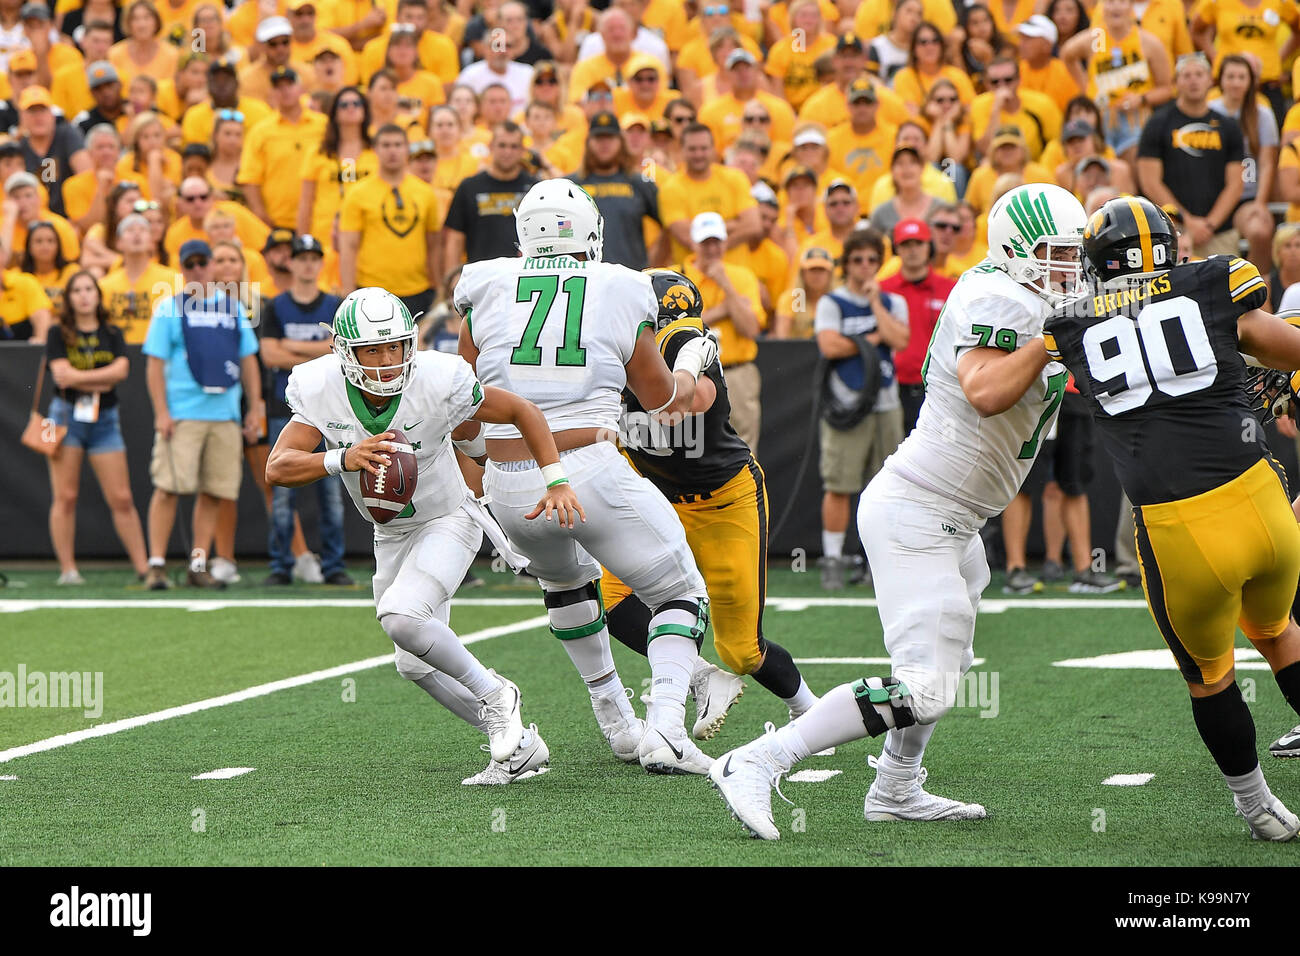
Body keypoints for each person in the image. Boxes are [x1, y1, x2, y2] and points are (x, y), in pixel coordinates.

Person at [710, 184, 1088, 839]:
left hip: (955, 517)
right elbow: (986, 390)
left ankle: (896, 788)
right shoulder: (1000, 297)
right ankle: (758, 759)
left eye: (1073, 255)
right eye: (1055, 255)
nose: (1068, 270)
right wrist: (1056, 341)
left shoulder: (1027, 297)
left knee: (950, 667)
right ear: (1017, 251)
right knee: (927, 685)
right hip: (920, 509)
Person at [1043, 195, 1300, 840]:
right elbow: (1287, 351)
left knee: (1211, 678)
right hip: (1262, 505)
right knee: (1281, 634)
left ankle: (1256, 807)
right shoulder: (1216, 277)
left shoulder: (1069, 320)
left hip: (1178, 530)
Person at [454, 178, 719, 774]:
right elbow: (659, 399)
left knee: (567, 586)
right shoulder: (623, 286)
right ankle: (667, 730)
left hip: (509, 479)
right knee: (680, 594)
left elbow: (463, 394)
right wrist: (695, 369)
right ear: (590, 234)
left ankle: (616, 722)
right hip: (586, 468)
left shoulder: (485, 284)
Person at [266, 288, 564, 785]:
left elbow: (521, 413)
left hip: (449, 518)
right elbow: (277, 467)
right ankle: (520, 748)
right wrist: (341, 456)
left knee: (403, 617)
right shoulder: (319, 387)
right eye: (372, 350)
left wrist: (553, 479)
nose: (386, 361)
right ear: (343, 352)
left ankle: (497, 695)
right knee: (413, 663)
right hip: (391, 532)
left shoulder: (438, 378)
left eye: (395, 347)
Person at [141, 238, 262, 590]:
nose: (197, 269)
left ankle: (198, 563)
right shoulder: (169, 308)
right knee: (168, 488)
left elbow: (248, 359)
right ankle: (157, 564)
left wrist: (253, 407)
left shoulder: (233, 308)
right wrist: (162, 412)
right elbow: (154, 364)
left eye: (202, 263)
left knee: (213, 492)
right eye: (189, 264)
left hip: (224, 414)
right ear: (182, 268)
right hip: (184, 413)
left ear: (211, 265)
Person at [814, 227, 910, 590]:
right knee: (839, 484)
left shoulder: (891, 301)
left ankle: (879, 562)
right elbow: (829, 346)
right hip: (846, 405)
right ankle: (834, 561)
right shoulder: (831, 302)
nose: (866, 266)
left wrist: (874, 304)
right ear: (847, 264)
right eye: (858, 260)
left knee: (886, 487)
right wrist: (871, 340)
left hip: (885, 402)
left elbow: (900, 339)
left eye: (872, 259)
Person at [44, 269, 149, 585]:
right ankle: (68, 570)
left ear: (98, 295)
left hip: (105, 419)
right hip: (63, 417)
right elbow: (61, 375)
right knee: (66, 496)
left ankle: (145, 569)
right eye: (77, 290)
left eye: (90, 288)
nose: (84, 295)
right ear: (69, 298)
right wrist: (102, 378)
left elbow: (123, 369)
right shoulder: (56, 333)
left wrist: (82, 377)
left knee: (122, 497)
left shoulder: (113, 333)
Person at [260, 234, 352, 587]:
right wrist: (318, 349)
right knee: (282, 493)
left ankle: (333, 565)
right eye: (302, 257)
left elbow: (341, 353)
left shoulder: (334, 305)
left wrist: (292, 347)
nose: (308, 263)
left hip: (329, 410)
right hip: (286, 408)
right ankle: (280, 565)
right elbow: (269, 355)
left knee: (332, 495)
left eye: (315, 257)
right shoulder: (275, 306)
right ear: (293, 263)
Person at [1137, 53, 1244, 260]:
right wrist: (1187, 221)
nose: (1193, 80)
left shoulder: (1229, 126)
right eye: (1186, 75)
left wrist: (1210, 224)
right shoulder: (1157, 123)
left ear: (1210, 81)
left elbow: (1235, 184)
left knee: (1227, 289)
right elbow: (1149, 181)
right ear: (1176, 82)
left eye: (1199, 74)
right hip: (1172, 231)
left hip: (1220, 231)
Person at [681, 211, 765, 453]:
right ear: (694, 243)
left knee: (744, 446)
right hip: (694, 374)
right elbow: (678, 330)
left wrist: (726, 284)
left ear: (725, 242)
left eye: (716, 242)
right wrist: (722, 311)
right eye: (706, 242)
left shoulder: (741, 276)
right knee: (692, 447)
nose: (712, 249)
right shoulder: (678, 275)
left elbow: (750, 328)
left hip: (736, 371)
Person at [338, 122, 441, 316]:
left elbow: (434, 245)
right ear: (375, 149)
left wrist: (438, 288)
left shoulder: (425, 193)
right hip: (370, 290)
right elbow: (348, 246)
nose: (392, 151)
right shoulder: (358, 193)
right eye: (386, 145)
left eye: (397, 145)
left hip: (418, 289)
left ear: (406, 149)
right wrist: (348, 292)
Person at [881, 218, 954, 434]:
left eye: (918, 243)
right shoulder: (882, 290)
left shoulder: (950, 288)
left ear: (929, 247)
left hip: (936, 388)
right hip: (893, 387)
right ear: (897, 249)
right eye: (906, 244)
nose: (912, 251)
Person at [238, 66, 327, 231]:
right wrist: (259, 212)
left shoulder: (323, 125)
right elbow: (250, 177)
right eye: (278, 87)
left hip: (320, 218)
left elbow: (346, 159)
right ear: (272, 93)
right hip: (278, 221)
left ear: (301, 89)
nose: (285, 91)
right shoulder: (261, 131)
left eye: (290, 85)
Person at [442, 120, 536, 273]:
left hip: (524, 278)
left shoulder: (535, 189)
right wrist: (451, 282)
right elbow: (455, 240)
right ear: (491, 147)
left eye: (514, 146)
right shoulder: (469, 187)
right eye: (502, 145)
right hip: (480, 278)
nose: (507, 152)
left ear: (522, 150)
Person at [571, 110, 659, 270]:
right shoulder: (571, 186)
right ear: (588, 142)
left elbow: (668, 226)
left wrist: (654, 262)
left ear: (621, 142)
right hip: (585, 281)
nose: (605, 144)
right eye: (599, 138)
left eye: (610, 138)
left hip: (630, 278)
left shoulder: (640, 184)